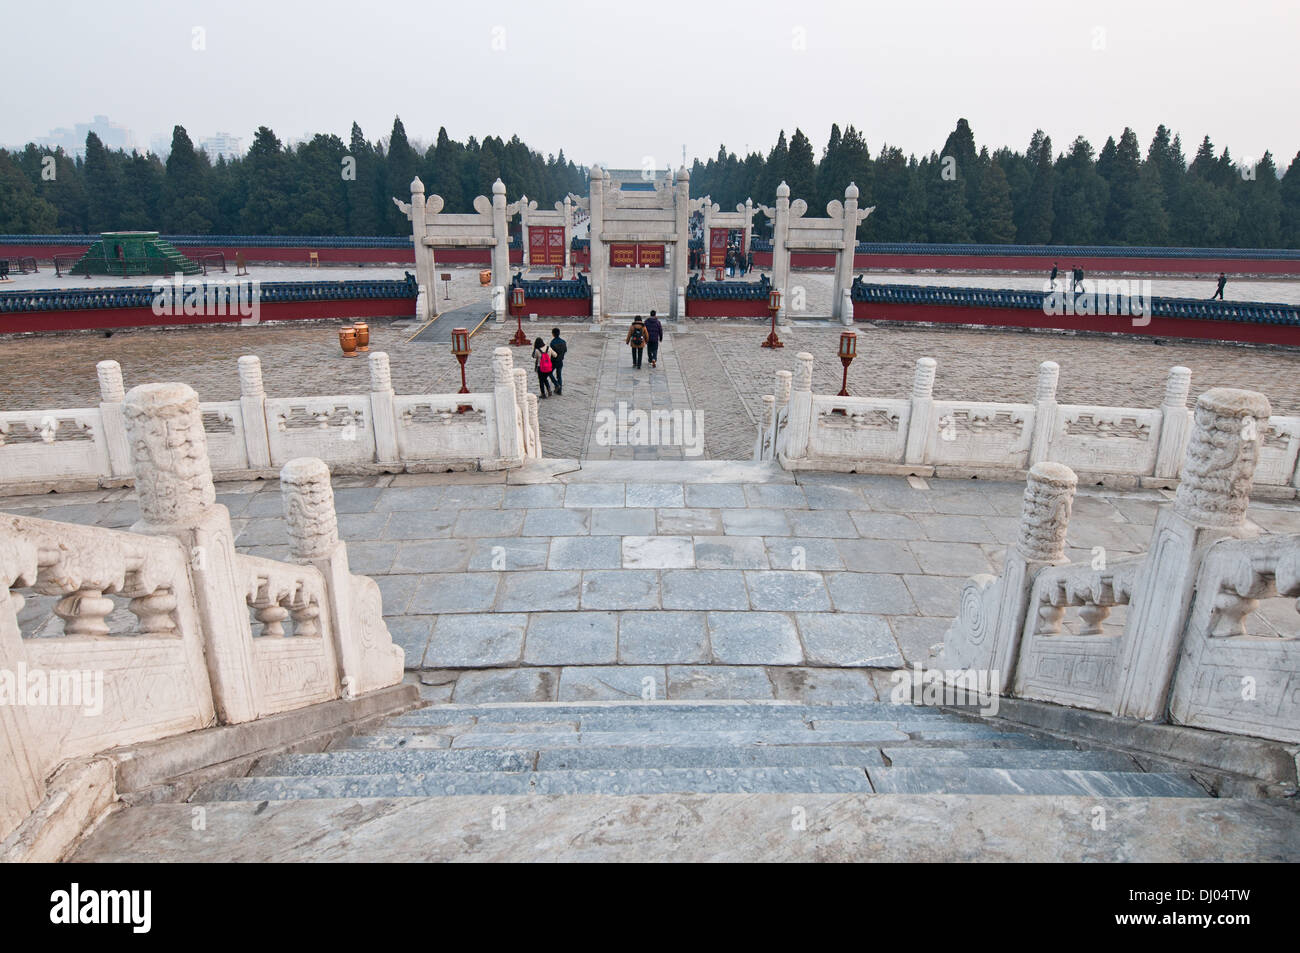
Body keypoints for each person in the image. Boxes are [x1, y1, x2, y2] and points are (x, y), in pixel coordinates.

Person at [549, 327, 567, 394]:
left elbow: (551, 353)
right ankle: (560, 391)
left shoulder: (552, 343)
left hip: (554, 361)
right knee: (559, 375)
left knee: (549, 373)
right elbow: (565, 350)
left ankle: (556, 384)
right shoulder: (563, 342)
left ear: (553, 334)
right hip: (560, 361)